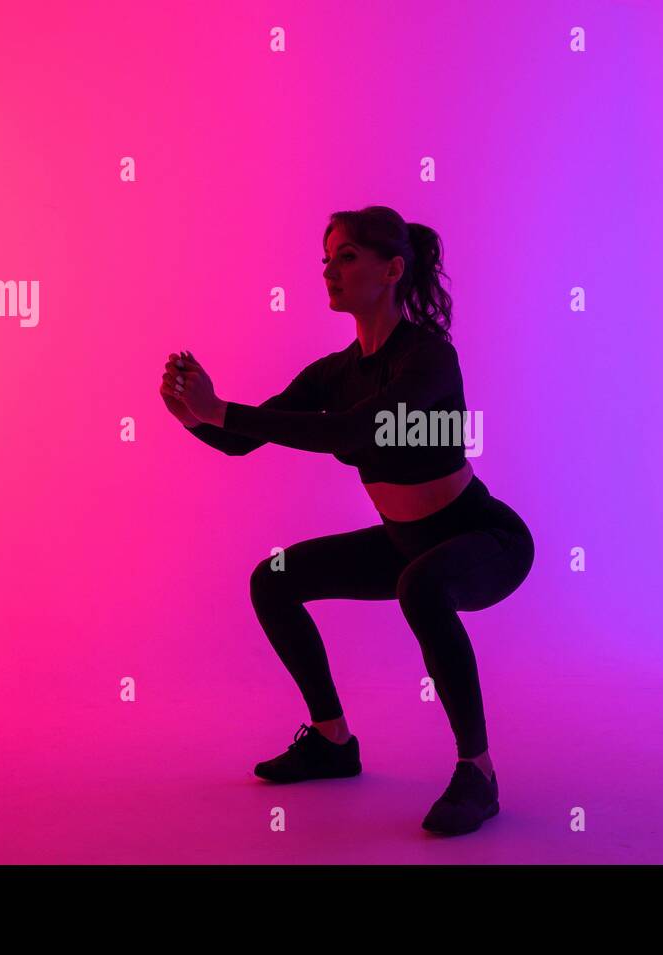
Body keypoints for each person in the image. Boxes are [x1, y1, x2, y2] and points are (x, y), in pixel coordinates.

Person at [159, 206, 534, 836]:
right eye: (326, 260)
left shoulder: (428, 358)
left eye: (347, 257)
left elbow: (356, 429)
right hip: (403, 542)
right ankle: (333, 740)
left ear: (392, 270)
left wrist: (221, 410)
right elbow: (241, 440)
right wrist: (192, 415)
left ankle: (480, 771)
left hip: (483, 538)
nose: (330, 271)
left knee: (422, 585)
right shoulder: (334, 372)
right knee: (274, 578)